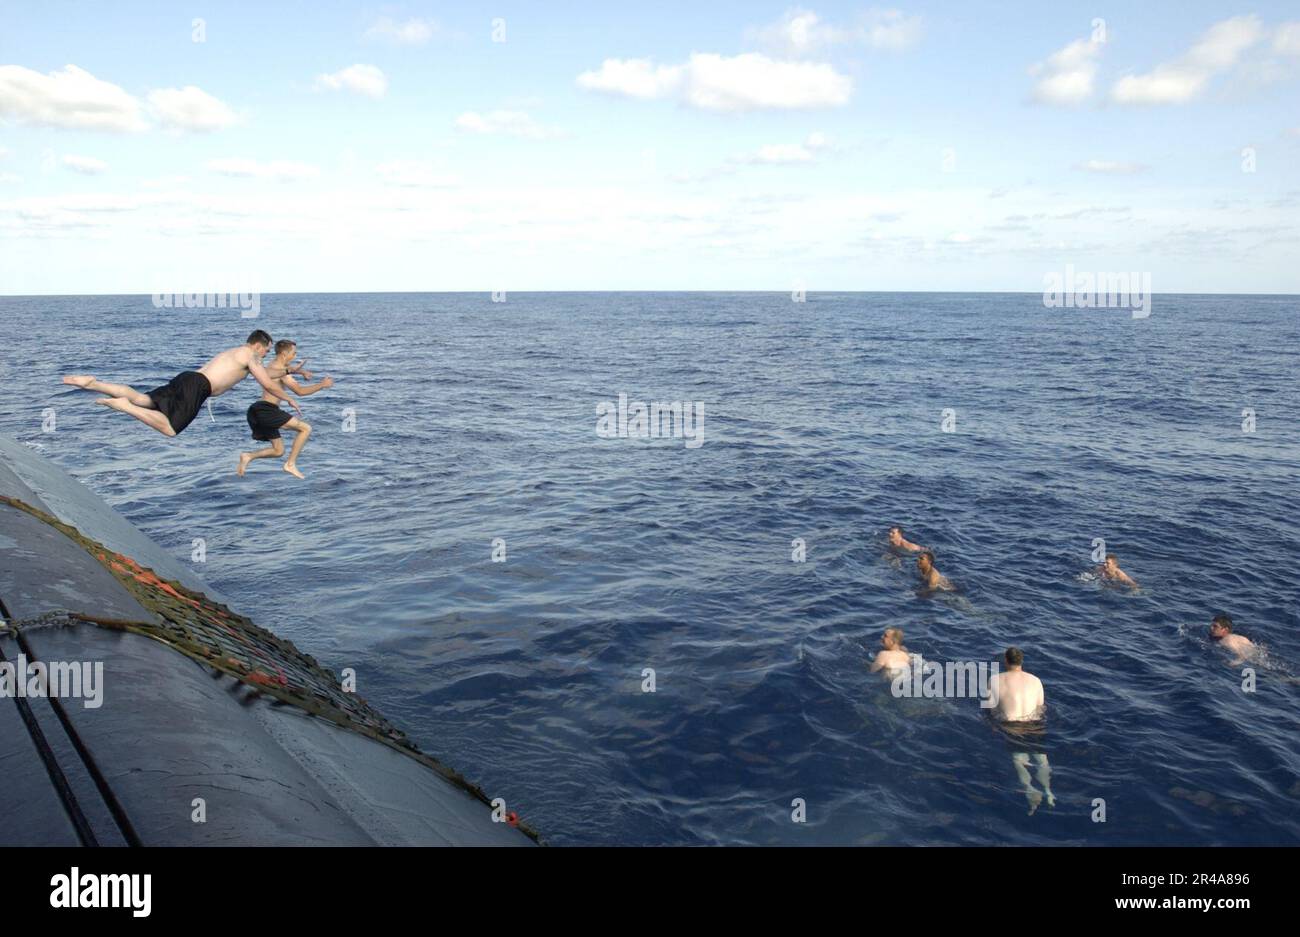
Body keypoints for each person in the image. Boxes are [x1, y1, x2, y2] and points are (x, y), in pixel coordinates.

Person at [63, 330, 302, 437]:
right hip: (198, 387)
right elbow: (267, 383)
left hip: (188, 378)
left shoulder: (235, 353)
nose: (265, 355)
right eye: (266, 351)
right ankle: (125, 407)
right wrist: (289, 398)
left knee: (143, 399)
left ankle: (93, 383)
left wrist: (289, 370)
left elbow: (267, 373)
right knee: (170, 429)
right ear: (258, 345)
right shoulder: (250, 356)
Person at [238, 339, 334, 479]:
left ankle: (248, 456)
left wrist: (301, 372)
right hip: (267, 410)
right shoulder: (282, 372)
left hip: (258, 410)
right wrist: (322, 385)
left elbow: (284, 369)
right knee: (305, 429)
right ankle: (290, 464)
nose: (295, 356)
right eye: (293, 353)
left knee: (278, 451)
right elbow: (300, 391)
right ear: (284, 354)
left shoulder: (275, 365)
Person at [986, 647, 1044, 722]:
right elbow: (1040, 708)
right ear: (1021, 661)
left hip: (1008, 724)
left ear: (1006, 660)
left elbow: (991, 708)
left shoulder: (994, 680)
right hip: (1032, 725)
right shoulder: (1036, 681)